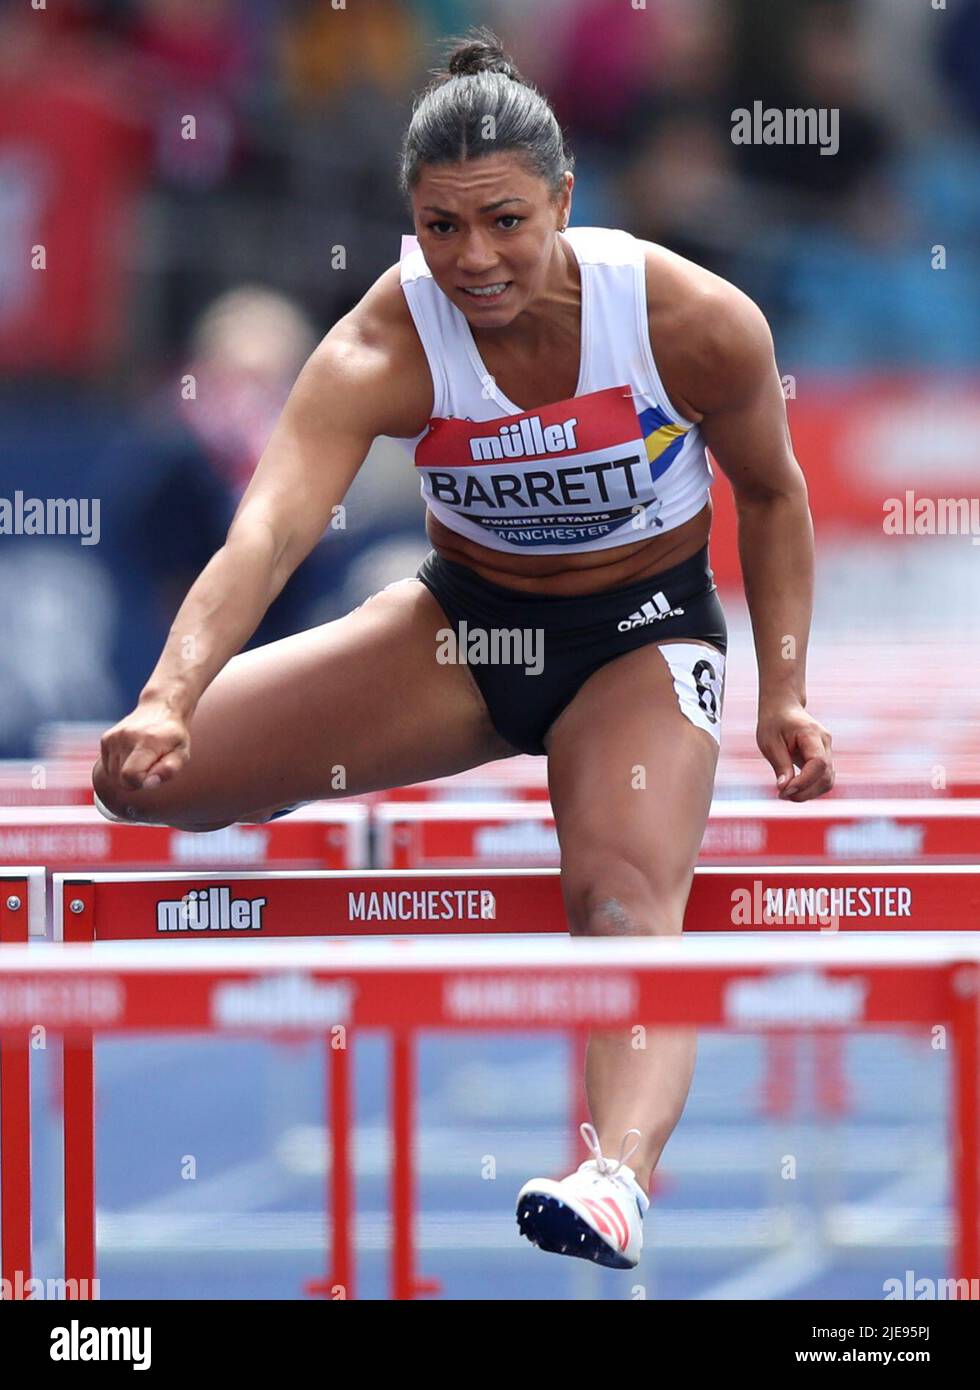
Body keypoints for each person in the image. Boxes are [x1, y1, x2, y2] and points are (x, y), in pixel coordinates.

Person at [94, 31, 835, 1272]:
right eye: (441, 228)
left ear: (562, 199)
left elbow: (770, 495)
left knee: (620, 897)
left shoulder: (687, 319)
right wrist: (169, 699)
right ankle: (294, 762)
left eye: (502, 222)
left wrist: (785, 690)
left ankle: (615, 1178)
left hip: (636, 640)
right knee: (143, 783)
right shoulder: (387, 337)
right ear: (410, 222)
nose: (474, 260)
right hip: (463, 627)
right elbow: (272, 525)